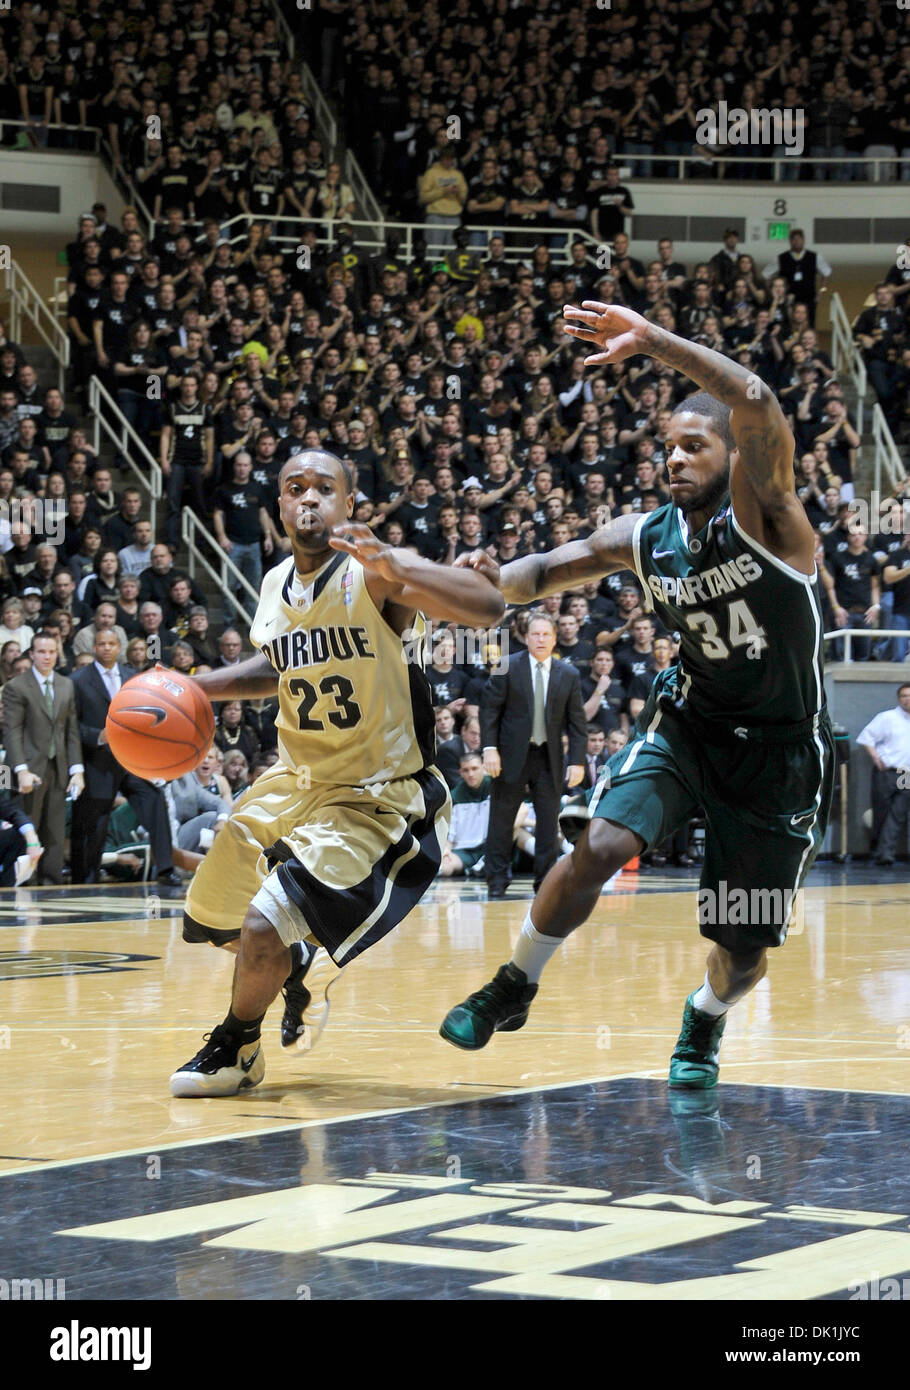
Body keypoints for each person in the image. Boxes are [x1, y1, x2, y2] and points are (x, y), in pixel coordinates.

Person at [441, 299, 836, 1096]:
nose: (676, 459)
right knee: (603, 846)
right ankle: (514, 983)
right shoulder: (646, 537)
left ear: (734, 458)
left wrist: (655, 341)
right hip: (688, 724)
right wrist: (484, 585)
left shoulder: (776, 522)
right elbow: (551, 570)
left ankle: (704, 1016)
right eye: (668, 448)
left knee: (743, 948)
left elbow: (756, 401)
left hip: (779, 755)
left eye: (696, 446)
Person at [169, 449, 503, 1097]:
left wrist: (402, 561)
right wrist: (190, 687)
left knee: (265, 920)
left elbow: (487, 607)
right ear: (279, 507)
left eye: (326, 488)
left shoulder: (372, 574)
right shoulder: (273, 585)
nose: (310, 499)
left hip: (376, 792)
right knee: (214, 920)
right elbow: (276, 668)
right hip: (294, 780)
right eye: (296, 488)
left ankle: (238, 1046)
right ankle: (296, 966)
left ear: (350, 506)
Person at [480, 610, 587, 897]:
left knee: (548, 823)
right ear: (526, 638)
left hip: (548, 758)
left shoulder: (569, 674)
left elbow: (577, 723)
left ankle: (546, 883)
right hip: (510, 755)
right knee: (502, 822)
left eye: (546, 635)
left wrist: (577, 760)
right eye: (535, 634)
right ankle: (497, 881)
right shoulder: (506, 665)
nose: (540, 639)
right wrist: (489, 749)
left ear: (554, 640)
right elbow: (490, 711)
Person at [69, 629, 179, 886]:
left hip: (131, 760)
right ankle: (87, 876)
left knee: (153, 798)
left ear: (119, 647)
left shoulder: (133, 677)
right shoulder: (78, 679)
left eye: (111, 644)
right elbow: (72, 726)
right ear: (94, 647)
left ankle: (165, 869)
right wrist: (99, 736)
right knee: (94, 822)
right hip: (97, 760)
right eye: (101, 644)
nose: (106, 648)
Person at [2, 632, 84, 884]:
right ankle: (26, 883)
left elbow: (71, 731)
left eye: (51, 652)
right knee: (30, 827)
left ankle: (52, 885)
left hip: (58, 766)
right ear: (32, 654)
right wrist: (21, 769)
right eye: (41, 652)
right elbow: (12, 731)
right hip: (28, 768)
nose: (47, 656)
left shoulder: (66, 684)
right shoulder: (16, 686)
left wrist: (77, 770)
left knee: (55, 831)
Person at [856, 685, 910, 866]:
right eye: (904, 696)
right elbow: (866, 737)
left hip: (906, 774)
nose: (907, 699)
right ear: (898, 698)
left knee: (898, 813)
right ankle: (877, 850)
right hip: (886, 771)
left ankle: (886, 854)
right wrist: (875, 757)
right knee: (881, 811)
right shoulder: (887, 718)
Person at [440, 752, 491, 877]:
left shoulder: (495, 787)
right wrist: (446, 850)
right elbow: (451, 834)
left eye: (474, 769)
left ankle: (484, 862)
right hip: (464, 851)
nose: (471, 774)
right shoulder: (454, 796)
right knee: (446, 867)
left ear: (483, 768)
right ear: (460, 773)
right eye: (466, 770)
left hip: (490, 848)